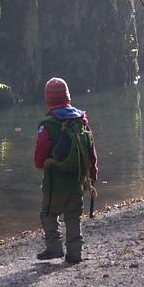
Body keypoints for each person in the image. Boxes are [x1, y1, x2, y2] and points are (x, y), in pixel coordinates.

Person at [33, 77, 98, 264]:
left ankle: (54, 248)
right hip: (77, 180)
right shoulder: (80, 120)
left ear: (48, 100)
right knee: (73, 216)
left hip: (55, 183)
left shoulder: (48, 124)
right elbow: (91, 149)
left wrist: (41, 164)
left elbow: (41, 152)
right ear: (68, 97)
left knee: (48, 214)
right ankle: (75, 252)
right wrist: (93, 175)